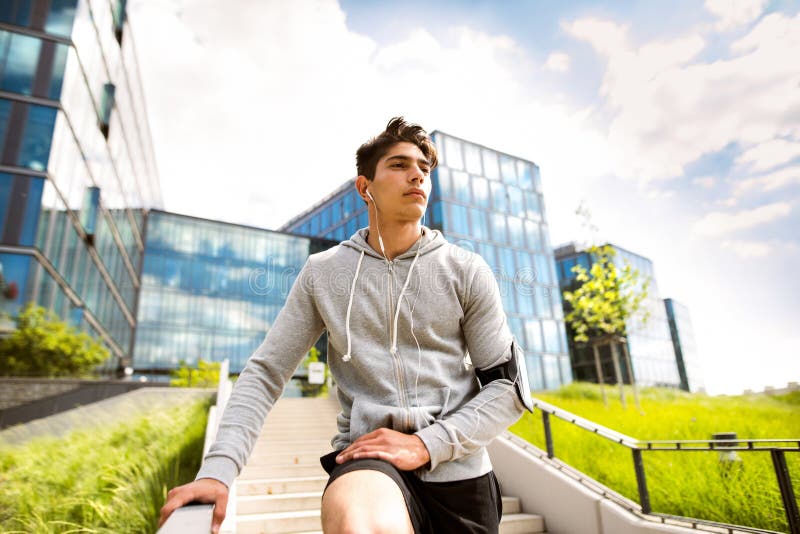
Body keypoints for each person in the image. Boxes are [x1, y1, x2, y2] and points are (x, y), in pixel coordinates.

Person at [159, 117, 533, 534]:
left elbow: (508, 386)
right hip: (368, 461)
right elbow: (265, 373)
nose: (417, 175)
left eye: (424, 169)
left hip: (461, 473)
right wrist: (218, 469)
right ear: (365, 187)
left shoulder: (465, 269)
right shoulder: (324, 273)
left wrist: (425, 444)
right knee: (358, 521)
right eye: (399, 164)